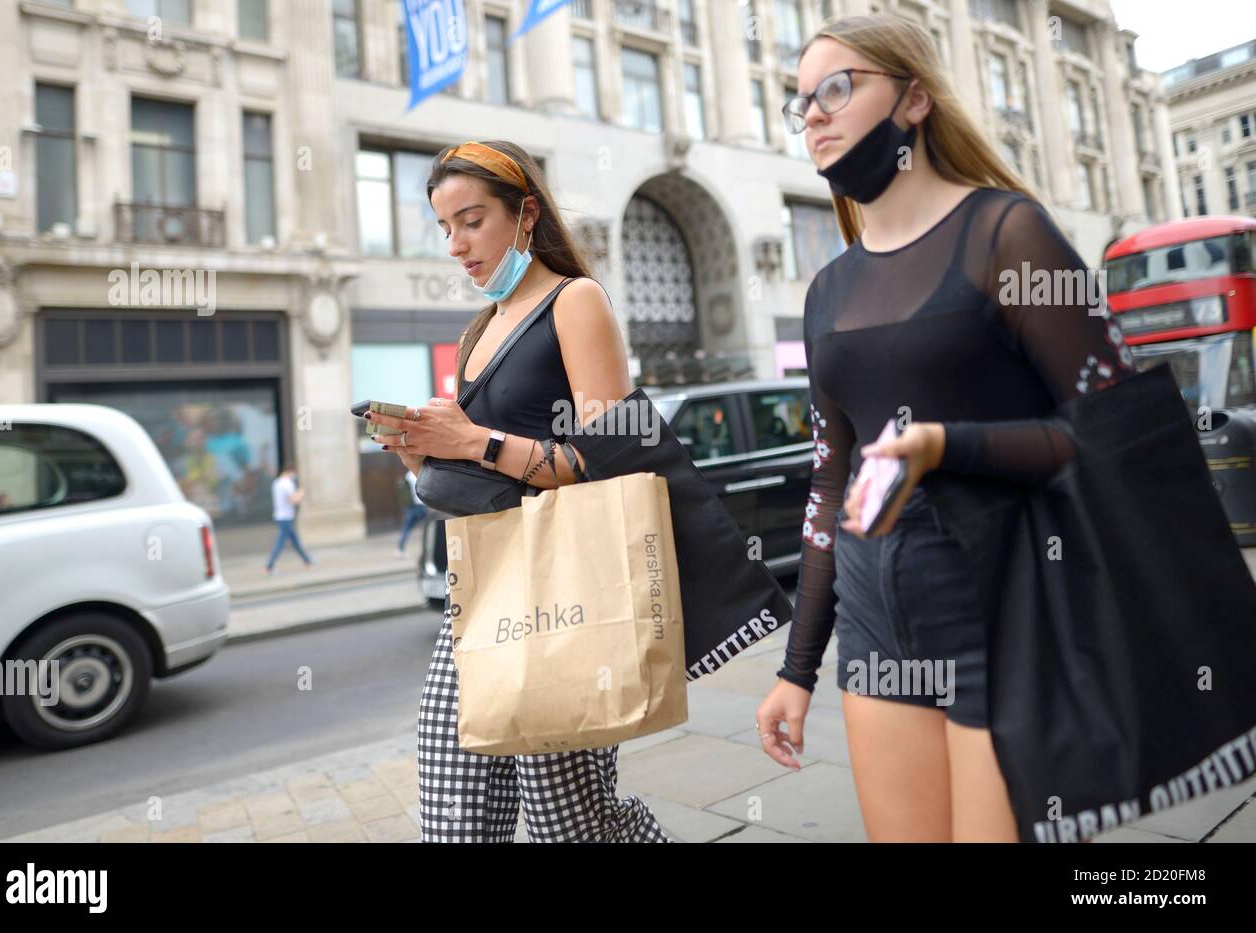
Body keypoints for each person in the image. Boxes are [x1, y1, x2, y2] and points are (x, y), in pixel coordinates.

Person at [754, 14, 1137, 842]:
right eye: (798, 102)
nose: (812, 114)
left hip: (1008, 613)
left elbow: (1111, 434)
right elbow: (832, 482)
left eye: (836, 88)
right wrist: (797, 668)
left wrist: (946, 443)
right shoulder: (827, 291)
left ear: (915, 99)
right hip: (878, 626)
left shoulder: (1007, 234)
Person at [365, 140, 670, 843]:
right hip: (484, 584)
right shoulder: (480, 328)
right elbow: (480, 480)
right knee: (454, 812)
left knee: (575, 824)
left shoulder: (576, 301)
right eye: (444, 228)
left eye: (471, 221)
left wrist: (472, 440)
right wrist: (422, 455)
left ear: (525, 213)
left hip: (567, 592)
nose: (455, 245)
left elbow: (611, 462)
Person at [265, 464, 314, 574]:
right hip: (286, 517)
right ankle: (269, 565)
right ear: (290, 471)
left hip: (280, 516)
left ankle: (307, 561)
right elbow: (293, 500)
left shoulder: (276, 483)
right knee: (281, 543)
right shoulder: (287, 484)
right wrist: (301, 493)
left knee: (295, 541)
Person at [396, 469, 427, 557]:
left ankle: (400, 549)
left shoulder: (408, 475)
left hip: (411, 506)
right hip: (421, 505)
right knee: (427, 528)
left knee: (407, 528)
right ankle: (426, 550)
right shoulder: (420, 473)